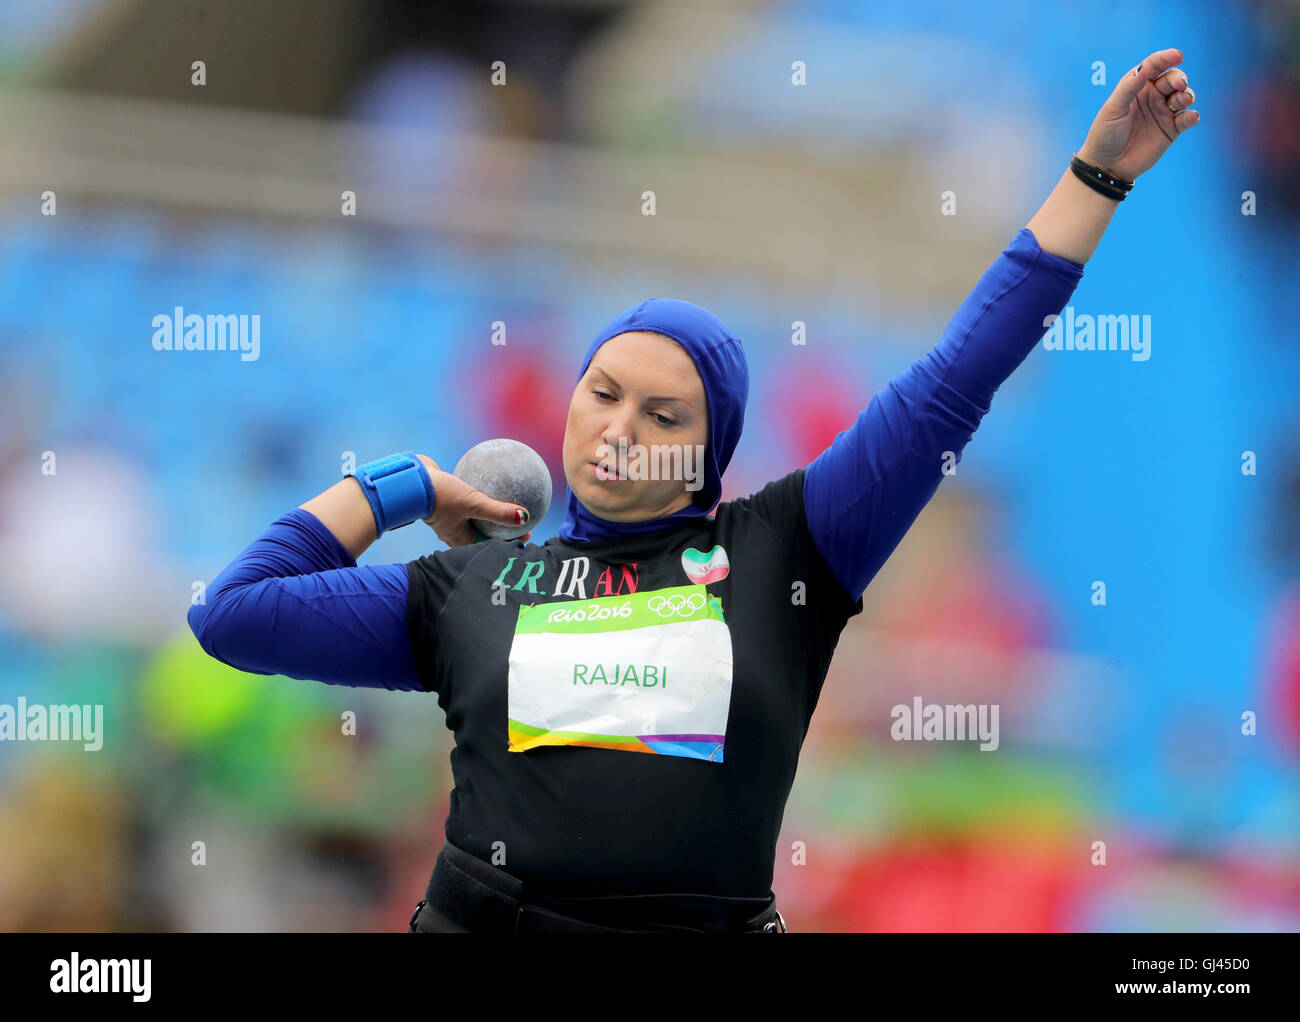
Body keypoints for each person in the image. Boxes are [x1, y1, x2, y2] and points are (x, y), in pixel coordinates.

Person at [187, 49, 1199, 933]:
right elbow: (234, 614)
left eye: (663, 414)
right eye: (603, 394)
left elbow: (956, 378)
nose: (621, 428)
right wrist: (400, 484)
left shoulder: (788, 552)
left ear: (711, 448)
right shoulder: (472, 587)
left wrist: (1097, 173)